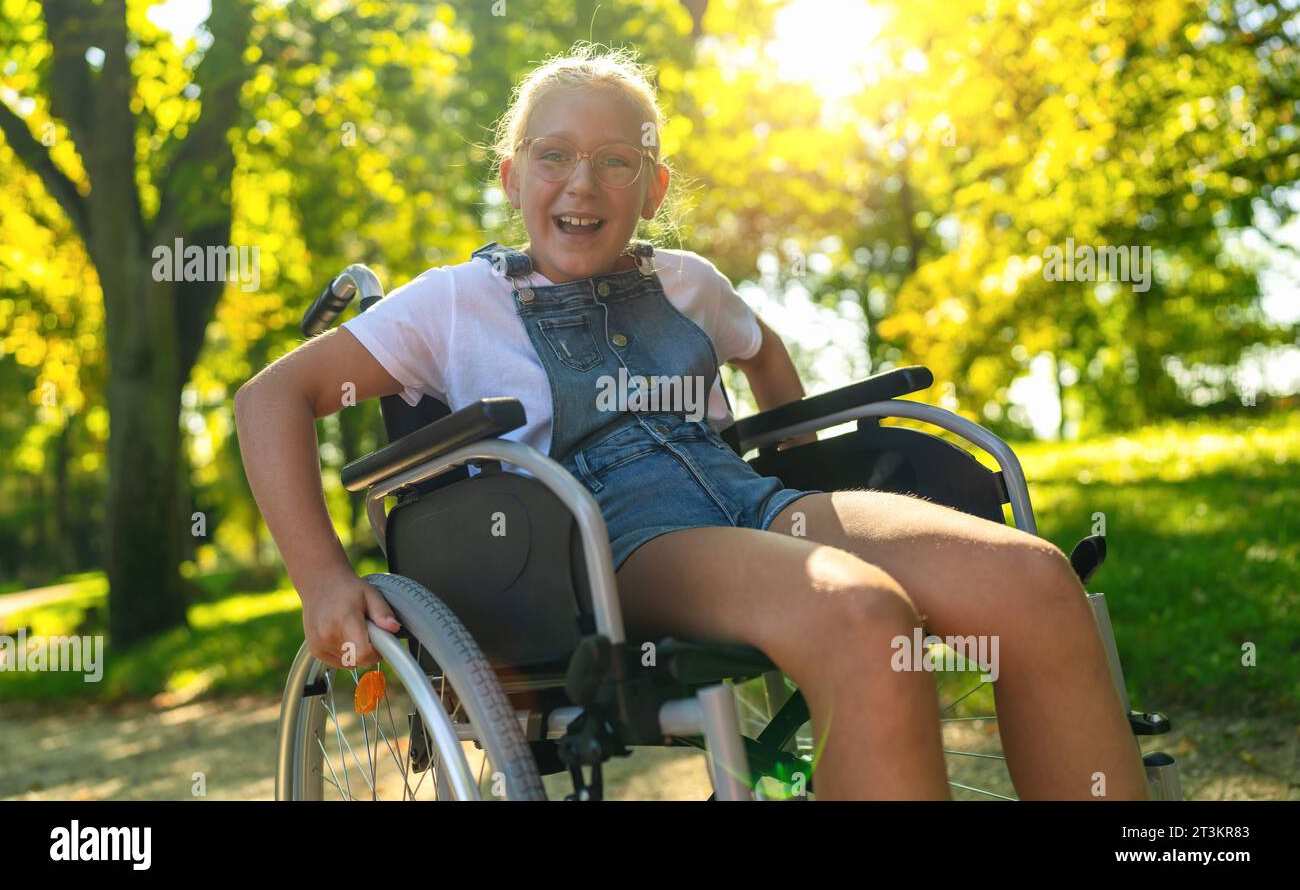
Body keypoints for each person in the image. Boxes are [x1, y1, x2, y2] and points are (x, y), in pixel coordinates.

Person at [235, 43, 1148, 800]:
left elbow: (765, 350)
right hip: (606, 541)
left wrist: (795, 455)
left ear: (654, 183)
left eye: (616, 160)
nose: (581, 182)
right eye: (553, 155)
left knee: (1033, 583)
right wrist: (321, 579)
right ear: (513, 176)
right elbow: (270, 397)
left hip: (749, 495)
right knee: (864, 617)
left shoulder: (687, 282)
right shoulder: (456, 301)